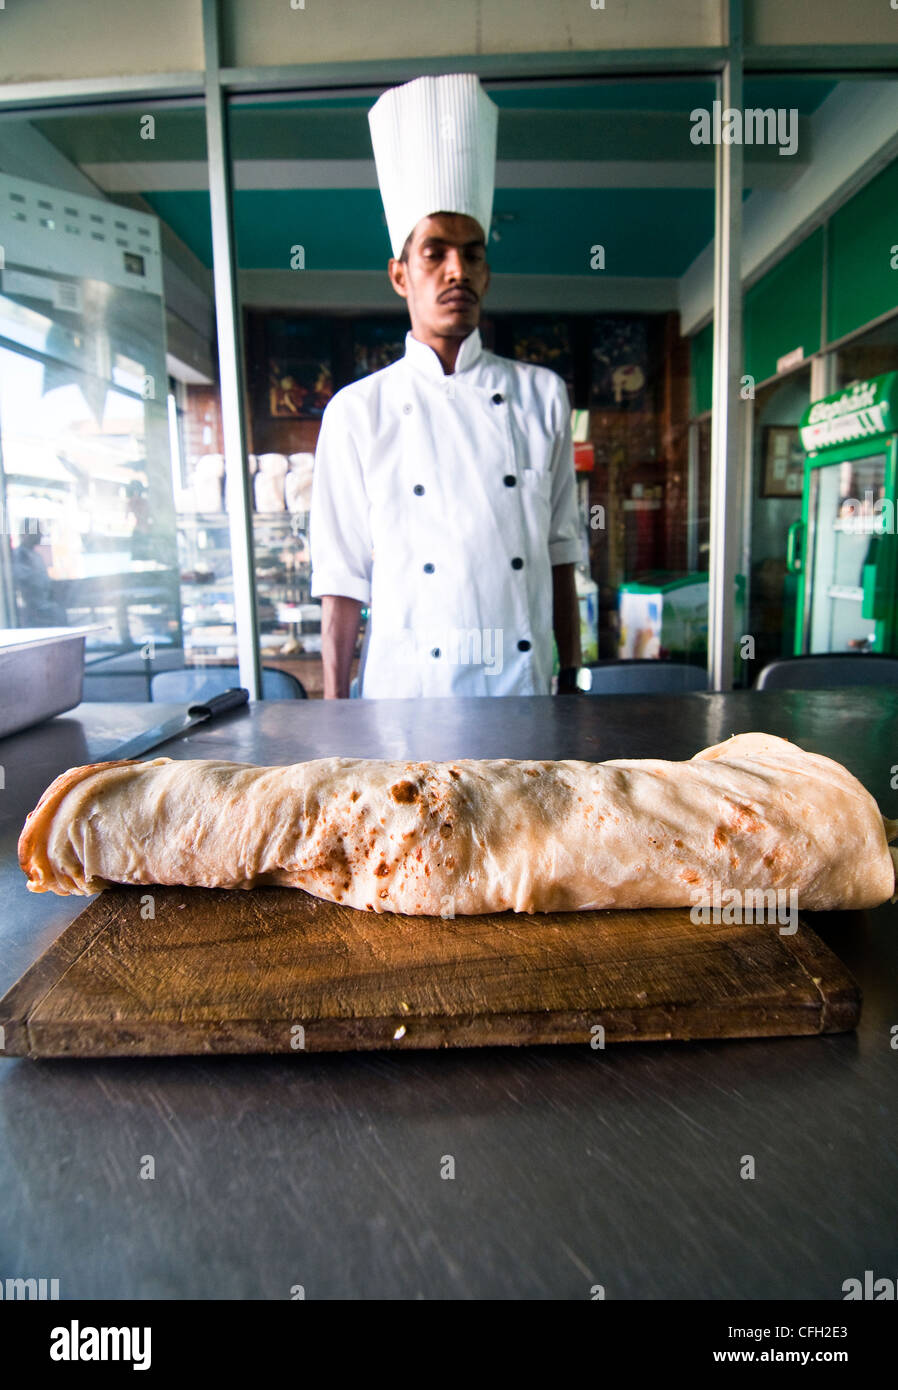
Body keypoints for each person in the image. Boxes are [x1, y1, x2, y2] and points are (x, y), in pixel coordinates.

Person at [310, 73, 582, 698]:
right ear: (400, 274)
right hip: (406, 703)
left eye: (473, 252)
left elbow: (561, 553)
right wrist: (331, 721)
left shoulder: (543, 396)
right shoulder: (357, 411)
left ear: (487, 272)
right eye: (435, 251)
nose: (457, 269)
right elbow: (342, 583)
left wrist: (571, 687)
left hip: (525, 695)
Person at [11, 522, 66, 626]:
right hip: (32, 611)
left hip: (45, 606)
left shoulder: (37, 556)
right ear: (25, 534)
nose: (40, 535)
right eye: (36, 532)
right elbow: (23, 581)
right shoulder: (18, 556)